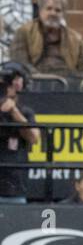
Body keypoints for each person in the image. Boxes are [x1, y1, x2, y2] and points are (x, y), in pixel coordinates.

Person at [11, 0, 83, 89]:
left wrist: (72, 80)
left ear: (63, 15)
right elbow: (19, 62)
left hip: (69, 82)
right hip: (36, 81)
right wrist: (42, 79)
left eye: (58, 10)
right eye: (49, 8)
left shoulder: (76, 38)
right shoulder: (24, 31)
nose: (53, 13)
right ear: (40, 11)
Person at [0, 65, 37, 204]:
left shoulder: (25, 112)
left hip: (14, 186)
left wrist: (14, 112)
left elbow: (34, 138)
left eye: (15, 80)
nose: (10, 86)